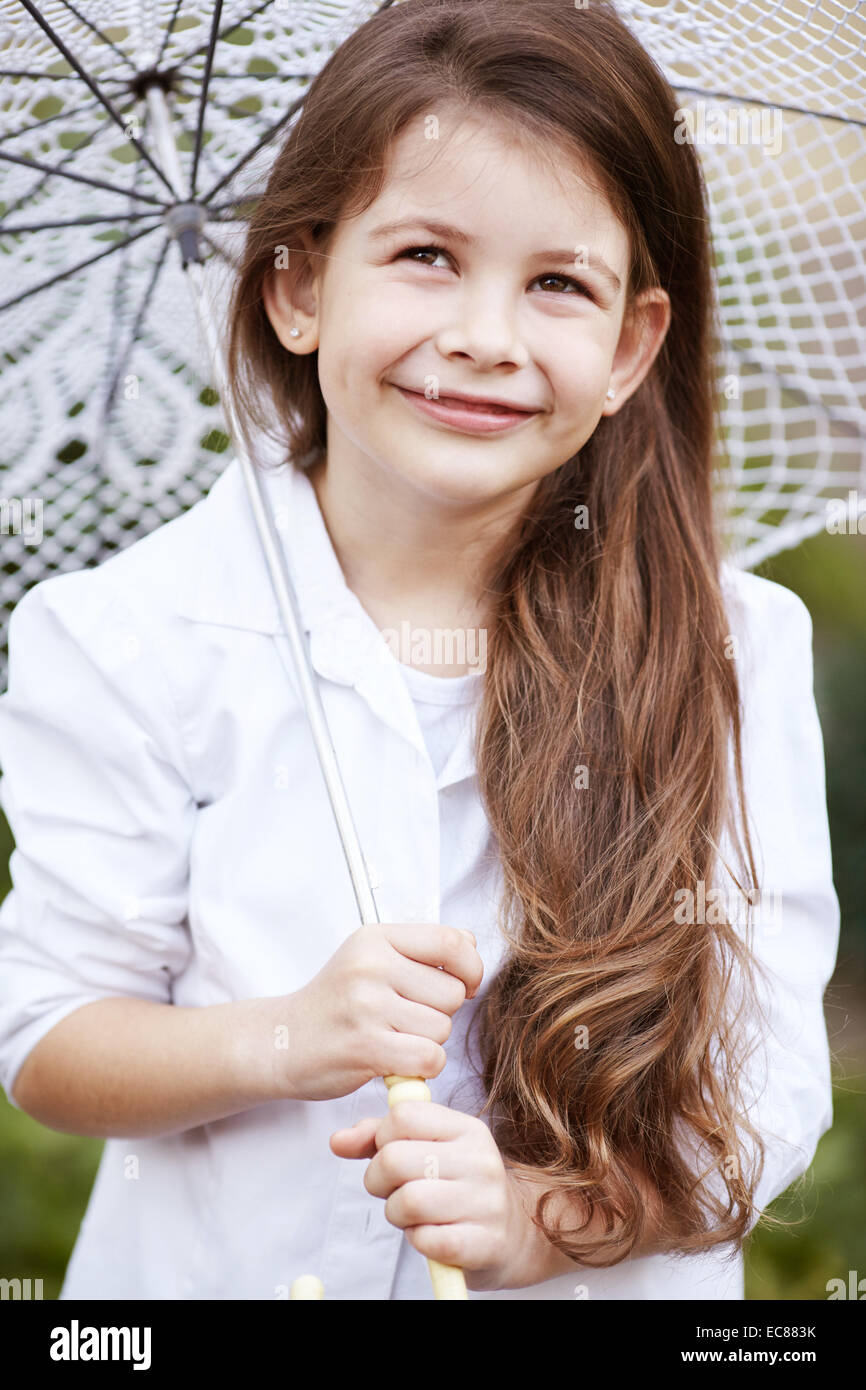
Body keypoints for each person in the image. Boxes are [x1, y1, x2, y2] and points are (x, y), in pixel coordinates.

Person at [0, 0, 839, 1300]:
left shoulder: (730, 648)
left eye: (556, 282)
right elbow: (52, 1036)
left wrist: (540, 1218)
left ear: (628, 347)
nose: (486, 337)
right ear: (295, 287)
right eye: (425, 257)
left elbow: (766, 1079)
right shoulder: (126, 638)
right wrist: (286, 1035)